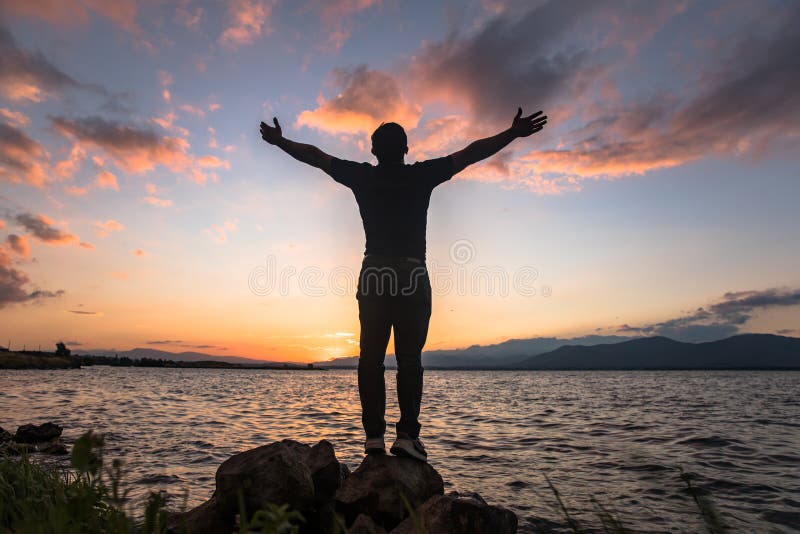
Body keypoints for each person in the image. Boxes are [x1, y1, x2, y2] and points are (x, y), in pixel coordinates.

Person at [260, 108, 547, 461]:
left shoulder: (361, 176)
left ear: (373, 151)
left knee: (370, 359)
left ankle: (373, 439)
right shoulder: (422, 175)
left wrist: (279, 142)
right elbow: (472, 153)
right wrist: (511, 132)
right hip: (411, 273)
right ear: (407, 149)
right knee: (409, 359)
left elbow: (316, 156)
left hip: (375, 272)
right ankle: (407, 436)